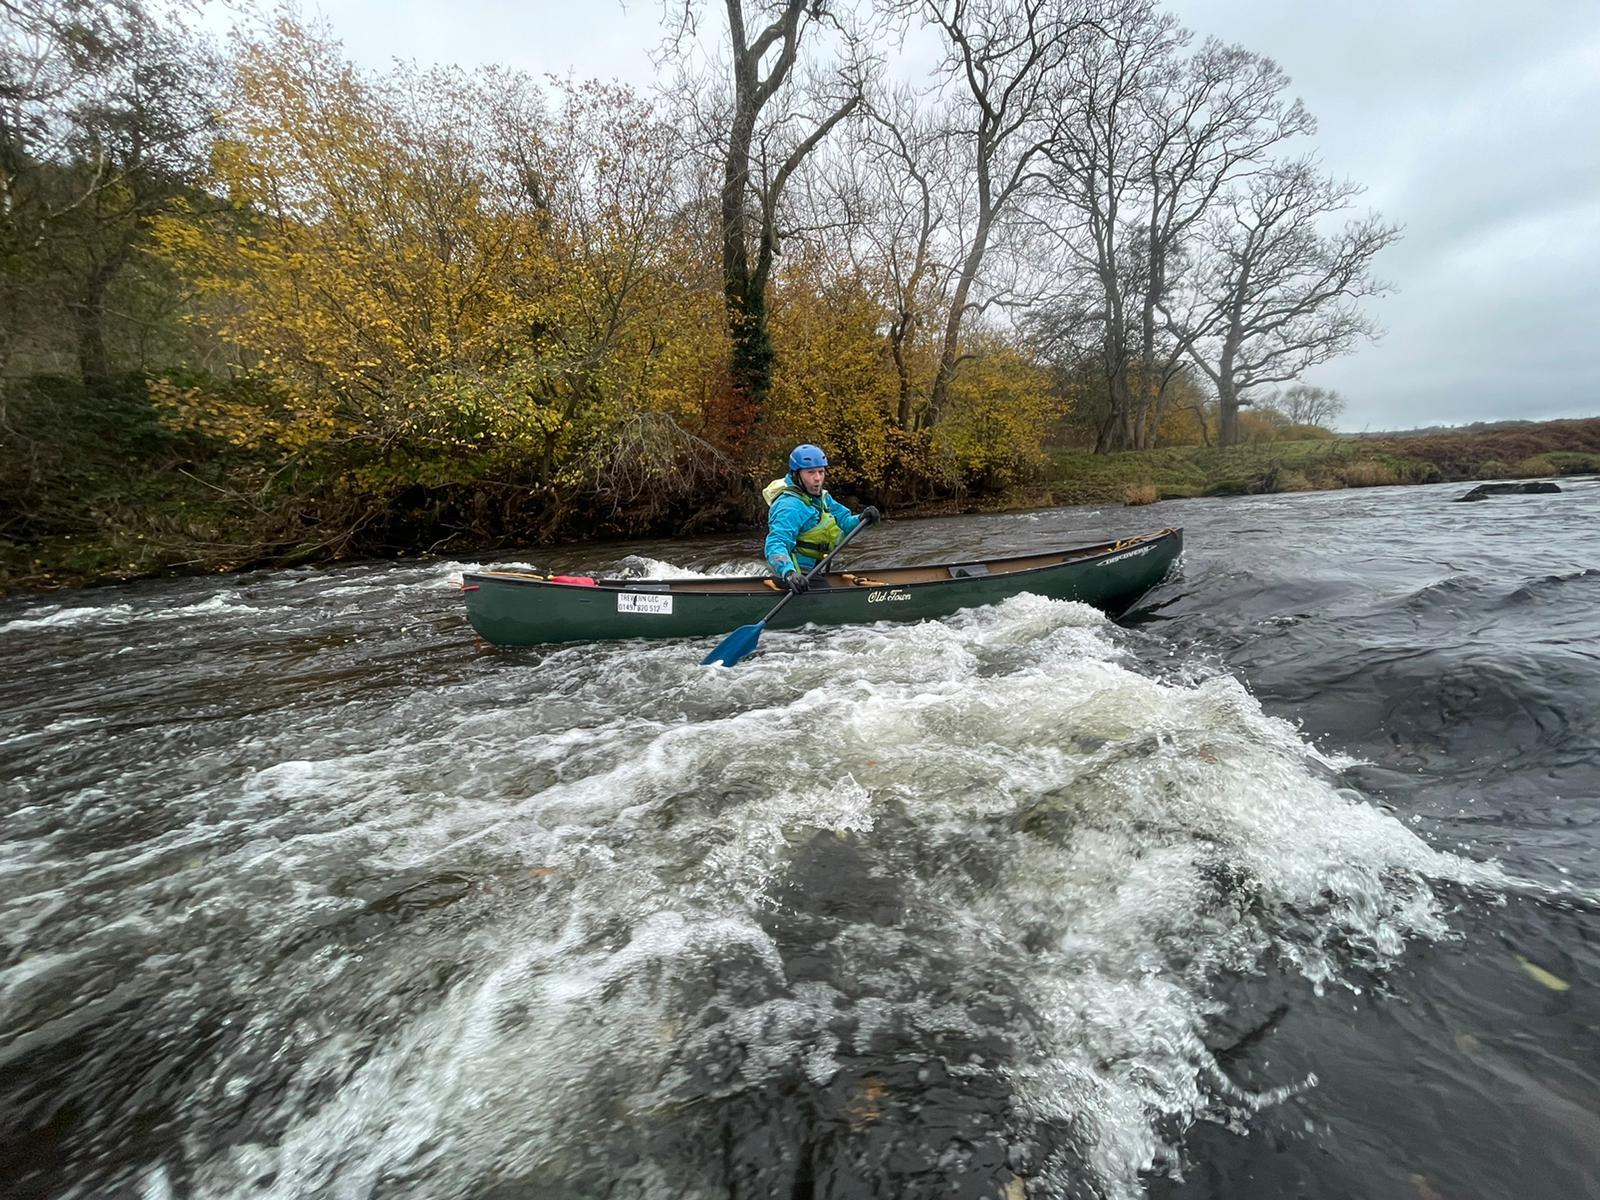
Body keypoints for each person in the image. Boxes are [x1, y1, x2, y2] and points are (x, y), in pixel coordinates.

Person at [763, 444, 880, 593]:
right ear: (796, 474)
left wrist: (862, 518)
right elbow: (776, 543)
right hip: (796, 576)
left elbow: (845, 522)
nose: (817, 478)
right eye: (810, 472)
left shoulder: (823, 498)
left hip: (815, 571)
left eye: (821, 472)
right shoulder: (789, 507)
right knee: (831, 600)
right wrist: (789, 574)